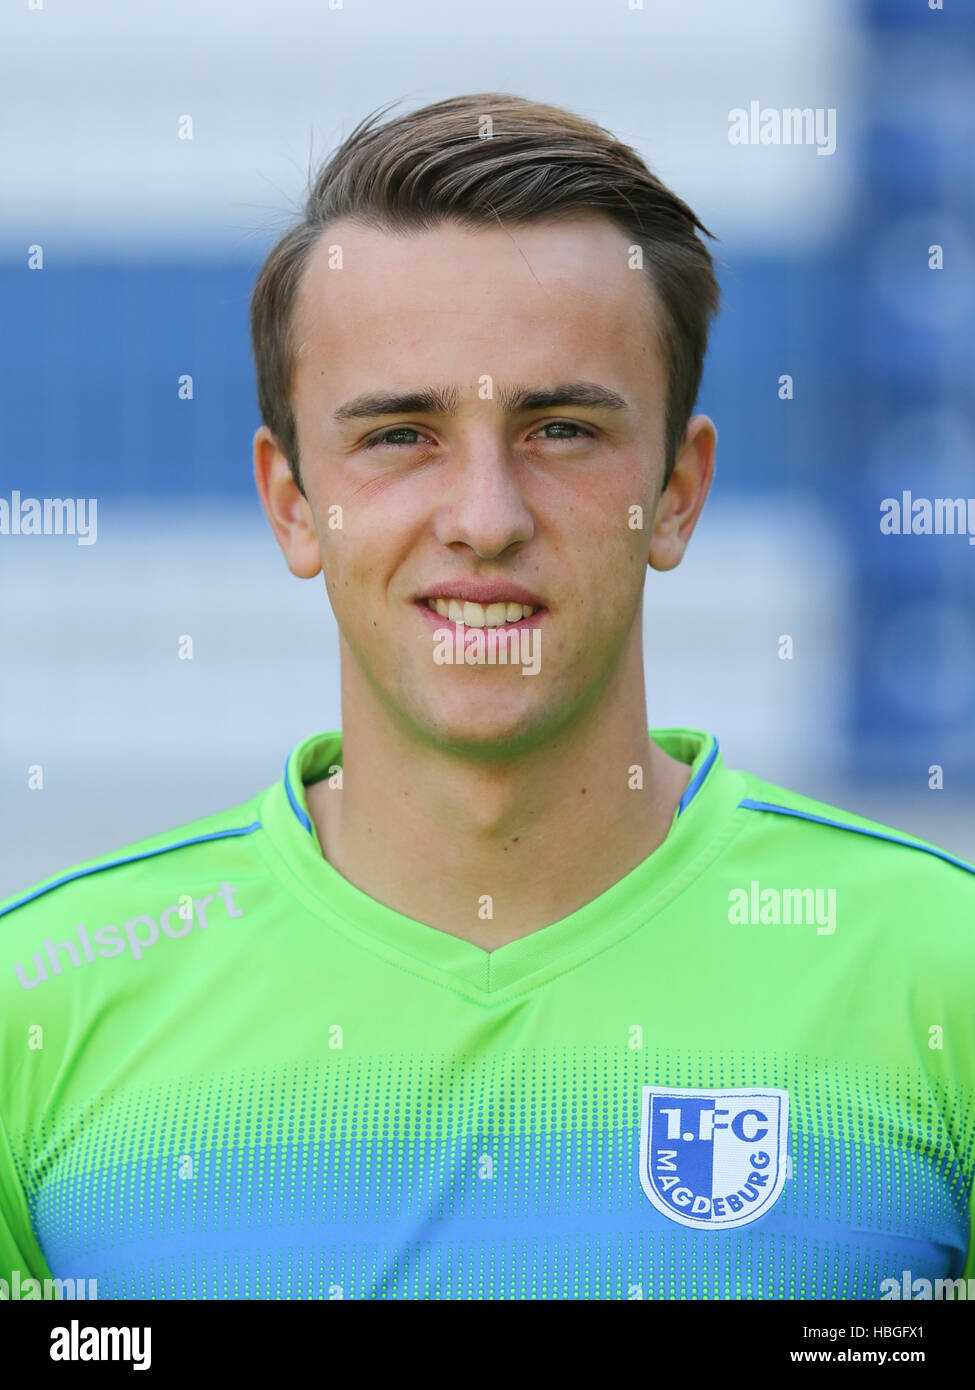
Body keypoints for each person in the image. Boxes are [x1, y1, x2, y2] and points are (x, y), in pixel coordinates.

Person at [1, 93, 972, 1302]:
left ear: (676, 491)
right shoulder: (40, 1005)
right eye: (400, 436)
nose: (485, 518)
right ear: (293, 503)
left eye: (560, 429)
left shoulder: (943, 975)